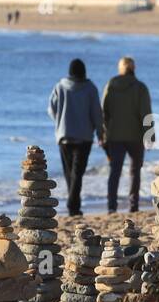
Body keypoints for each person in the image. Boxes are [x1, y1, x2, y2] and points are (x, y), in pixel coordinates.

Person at [47, 58, 103, 217]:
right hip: (84, 137)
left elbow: (51, 109)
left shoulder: (60, 86)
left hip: (64, 136)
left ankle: (73, 204)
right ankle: (73, 205)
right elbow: (96, 114)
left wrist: (60, 122)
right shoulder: (90, 88)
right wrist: (100, 133)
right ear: (84, 72)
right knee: (78, 173)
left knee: (69, 172)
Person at [101, 56, 152, 213]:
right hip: (135, 136)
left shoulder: (111, 85)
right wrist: (149, 134)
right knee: (135, 171)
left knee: (114, 171)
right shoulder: (140, 87)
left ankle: (111, 206)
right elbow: (146, 113)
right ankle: (133, 205)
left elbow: (104, 112)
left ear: (120, 68)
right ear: (133, 68)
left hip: (114, 136)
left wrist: (103, 134)